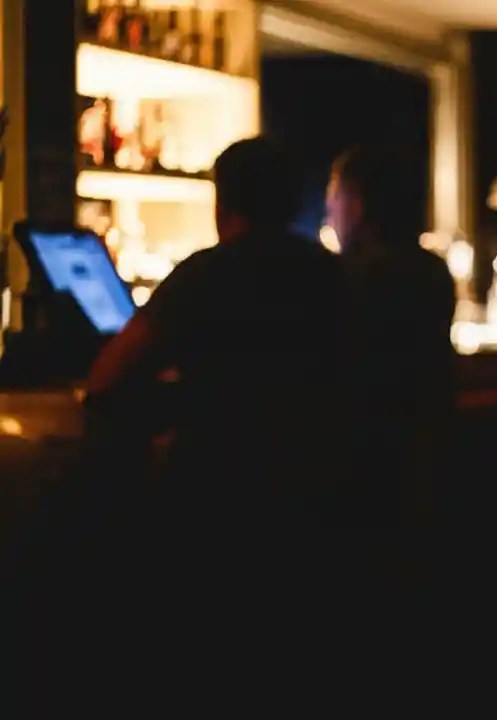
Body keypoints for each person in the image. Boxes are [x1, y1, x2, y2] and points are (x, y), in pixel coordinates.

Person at [72, 137, 355, 713]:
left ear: (222, 204)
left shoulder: (209, 272)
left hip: (216, 504)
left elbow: (107, 380)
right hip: (322, 506)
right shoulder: (337, 278)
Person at [326, 143, 457, 524]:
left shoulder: (348, 280)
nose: (329, 212)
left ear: (358, 203)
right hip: (427, 464)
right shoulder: (432, 271)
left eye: (334, 197)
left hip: (360, 474)